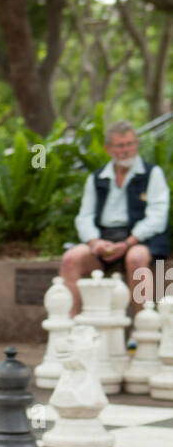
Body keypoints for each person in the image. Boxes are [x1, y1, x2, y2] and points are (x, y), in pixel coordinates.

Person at [63, 119, 170, 314]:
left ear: (136, 144)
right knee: (71, 258)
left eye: (130, 144)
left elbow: (158, 216)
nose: (126, 150)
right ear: (108, 148)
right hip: (104, 239)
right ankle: (72, 326)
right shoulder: (96, 179)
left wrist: (129, 242)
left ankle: (144, 324)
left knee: (136, 258)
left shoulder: (152, 173)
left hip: (139, 239)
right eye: (120, 145)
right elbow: (85, 216)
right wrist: (95, 243)